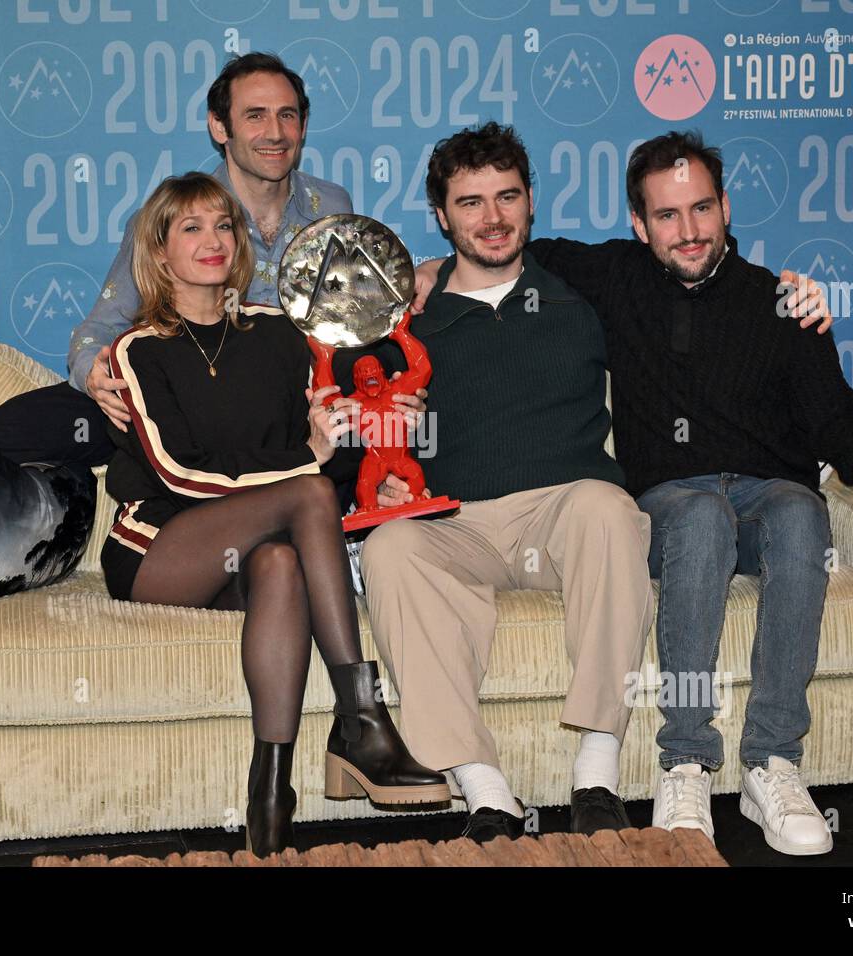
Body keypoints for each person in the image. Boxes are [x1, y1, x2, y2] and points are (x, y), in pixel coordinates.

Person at [414, 129, 853, 855]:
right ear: (639, 225)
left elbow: (844, 431)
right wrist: (425, 272)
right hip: (674, 502)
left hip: (766, 496)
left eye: (701, 209)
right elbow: (489, 251)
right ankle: (685, 759)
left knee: (797, 511)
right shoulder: (610, 276)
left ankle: (771, 763)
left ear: (726, 208)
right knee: (697, 514)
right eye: (666, 215)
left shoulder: (783, 305)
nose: (687, 231)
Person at [0, 52, 426, 576]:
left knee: (398, 401)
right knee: (65, 408)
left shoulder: (332, 202)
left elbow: (364, 322)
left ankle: (389, 523)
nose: (274, 132)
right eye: (255, 115)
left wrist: (418, 291)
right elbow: (98, 329)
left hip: (287, 402)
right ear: (219, 127)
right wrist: (94, 377)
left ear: (304, 126)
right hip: (191, 395)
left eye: (288, 116)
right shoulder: (178, 214)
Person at [102, 170, 448, 857]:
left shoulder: (278, 332)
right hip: (162, 546)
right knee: (308, 492)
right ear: (159, 253)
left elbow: (329, 444)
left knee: (284, 560)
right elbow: (181, 473)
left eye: (225, 225)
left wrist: (374, 437)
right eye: (191, 228)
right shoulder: (139, 349)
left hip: (258, 546)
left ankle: (271, 785)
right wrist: (309, 460)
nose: (214, 240)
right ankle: (361, 718)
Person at [355, 122, 657, 843]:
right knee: (389, 549)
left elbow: (694, 271)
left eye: (507, 197)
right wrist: (385, 488)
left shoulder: (585, 291)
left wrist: (791, 297)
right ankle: (485, 792)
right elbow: (363, 430)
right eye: (470, 203)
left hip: (563, 512)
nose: (492, 218)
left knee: (610, 510)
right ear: (440, 216)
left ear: (531, 203)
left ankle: (596, 774)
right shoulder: (406, 318)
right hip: (454, 521)